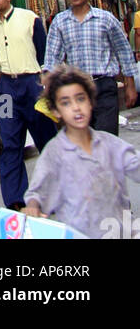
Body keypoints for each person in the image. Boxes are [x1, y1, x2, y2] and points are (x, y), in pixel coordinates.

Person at [23, 65, 140, 238]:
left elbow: (136, 164)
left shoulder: (111, 145)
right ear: (56, 110)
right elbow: (37, 192)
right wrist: (32, 206)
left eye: (80, 99)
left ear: (91, 102)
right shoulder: (54, 153)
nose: (76, 107)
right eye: (66, 103)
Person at [0, 0, 56, 210]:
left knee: (46, 139)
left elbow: (44, 54)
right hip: (6, 89)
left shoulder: (29, 19)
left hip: (31, 85)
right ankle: (15, 199)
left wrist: (45, 83)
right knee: (10, 141)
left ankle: (55, 192)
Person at [42, 0, 138, 134]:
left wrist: (130, 86)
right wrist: (49, 92)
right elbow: (52, 58)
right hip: (76, 88)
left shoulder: (105, 19)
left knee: (106, 136)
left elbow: (124, 51)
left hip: (104, 85)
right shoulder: (60, 22)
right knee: (83, 138)